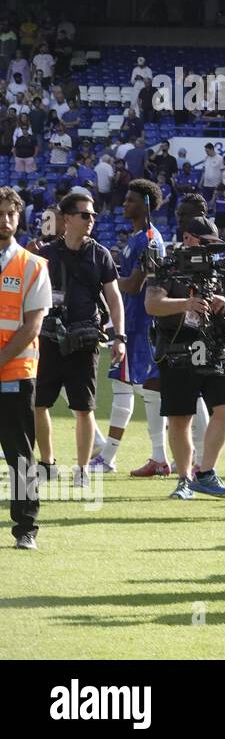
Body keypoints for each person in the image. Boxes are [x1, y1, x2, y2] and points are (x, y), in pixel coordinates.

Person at [144, 217, 225, 501]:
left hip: (214, 345)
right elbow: (152, 304)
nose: (211, 250)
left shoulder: (219, 267)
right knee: (180, 418)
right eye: (206, 243)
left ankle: (206, 472)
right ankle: (184, 479)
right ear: (188, 238)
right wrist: (186, 304)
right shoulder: (167, 265)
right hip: (177, 349)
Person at [33, 192, 127, 488]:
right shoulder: (47, 255)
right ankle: (47, 463)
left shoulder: (101, 254)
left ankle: (83, 469)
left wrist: (119, 337)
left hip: (85, 340)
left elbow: (114, 298)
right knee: (39, 404)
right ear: (67, 218)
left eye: (93, 216)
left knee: (84, 408)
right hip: (48, 338)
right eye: (85, 215)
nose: (91, 221)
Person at [102, 180, 169, 477]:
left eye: (130, 200)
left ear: (145, 204)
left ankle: (159, 457)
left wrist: (103, 274)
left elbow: (133, 285)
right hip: (130, 324)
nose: (124, 205)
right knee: (124, 386)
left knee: (148, 390)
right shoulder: (137, 237)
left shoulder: (150, 240)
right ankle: (114, 456)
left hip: (142, 326)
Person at [0, 186, 51, 550]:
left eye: (10, 214)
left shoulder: (33, 265)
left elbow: (32, 326)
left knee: (20, 454)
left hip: (15, 375)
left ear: (19, 217)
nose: (4, 220)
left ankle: (27, 528)